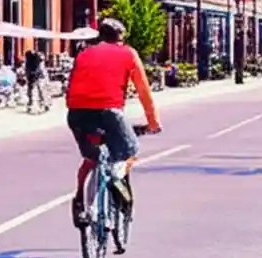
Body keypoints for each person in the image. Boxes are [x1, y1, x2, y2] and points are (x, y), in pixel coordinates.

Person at [65, 18, 161, 228]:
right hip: (109, 112)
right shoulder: (128, 53)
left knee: (91, 158)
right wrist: (153, 122)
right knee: (129, 150)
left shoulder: (84, 53)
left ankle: (80, 201)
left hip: (76, 113)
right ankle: (117, 180)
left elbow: (71, 85)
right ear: (121, 37)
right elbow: (144, 91)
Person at [24, 47, 45, 111]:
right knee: (38, 89)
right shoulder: (32, 59)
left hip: (35, 75)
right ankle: (41, 103)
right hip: (33, 75)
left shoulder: (33, 59)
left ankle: (40, 103)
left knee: (37, 89)